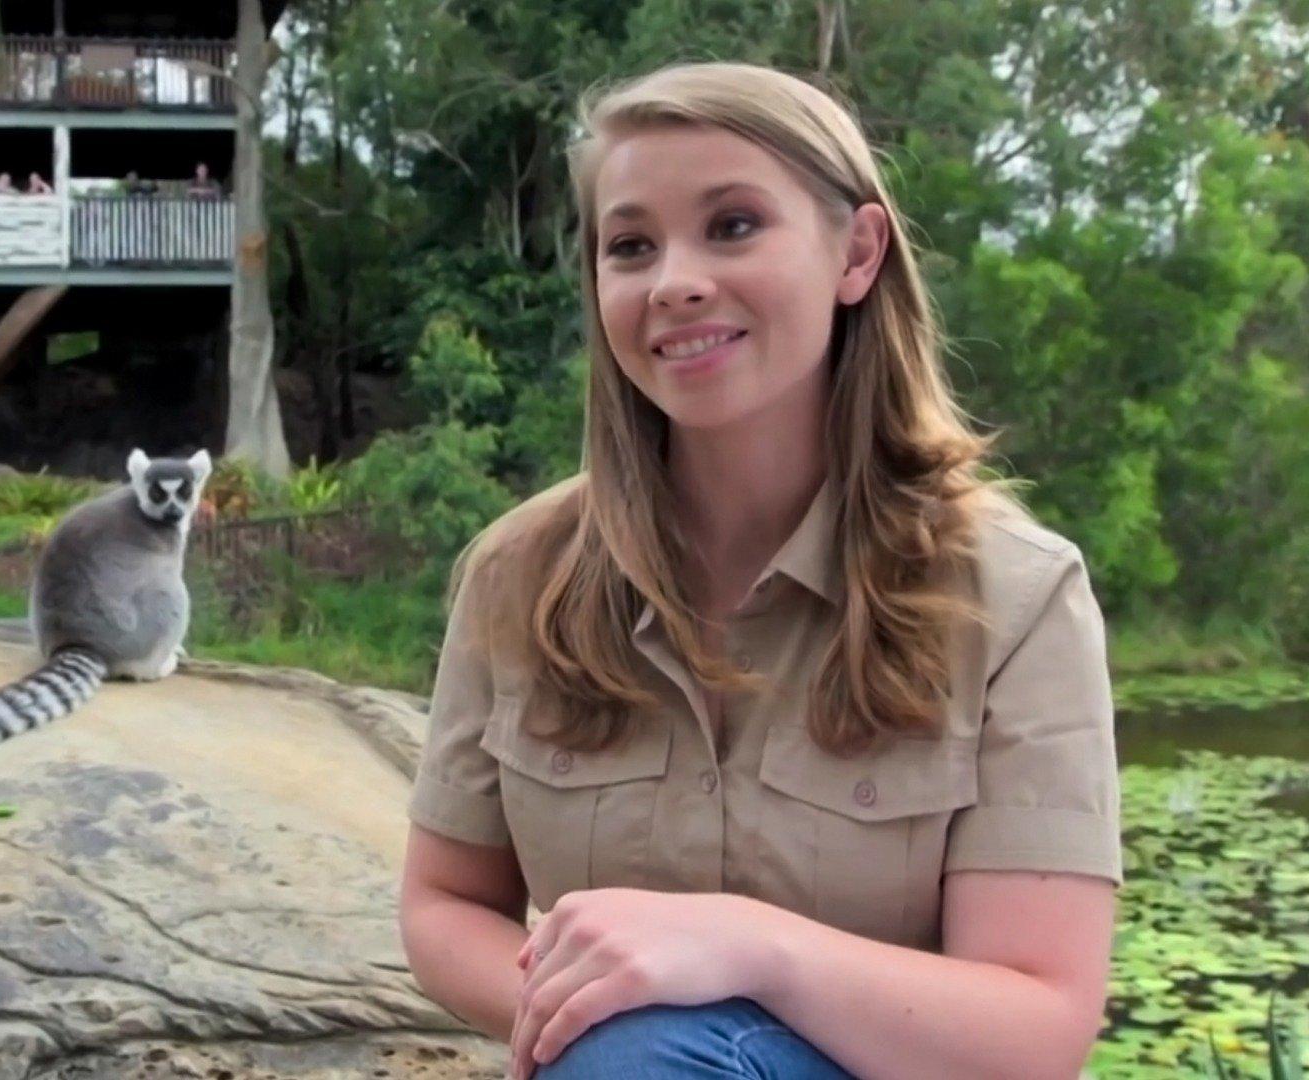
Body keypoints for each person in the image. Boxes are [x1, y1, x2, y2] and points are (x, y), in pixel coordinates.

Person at [398, 61, 1120, 1080]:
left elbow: (1039, 1026)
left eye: (732, 226)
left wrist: (746, 948)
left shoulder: (1014, 595)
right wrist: (589, 1015)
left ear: (857, 253)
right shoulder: (520, 574)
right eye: (631, 245)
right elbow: (442, 904)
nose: (674, 279)